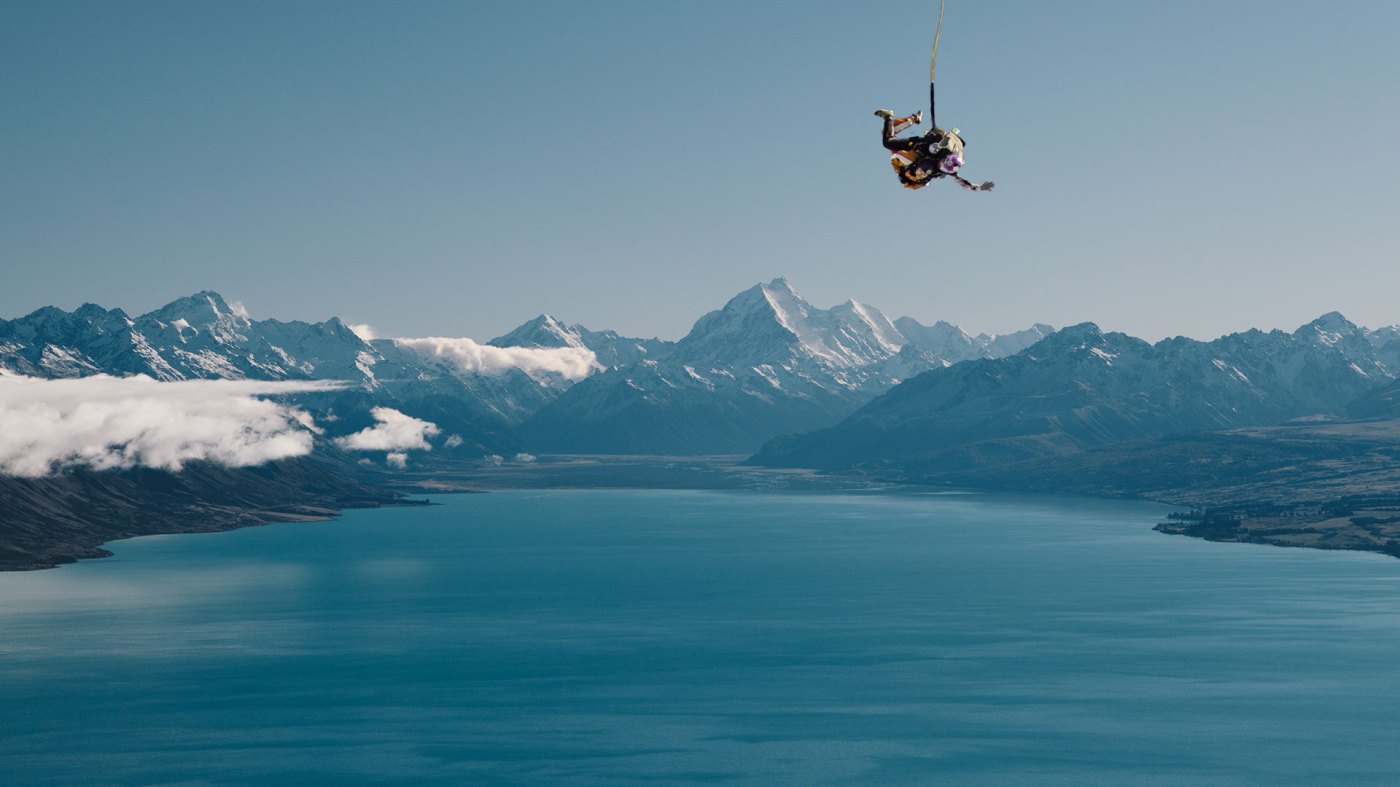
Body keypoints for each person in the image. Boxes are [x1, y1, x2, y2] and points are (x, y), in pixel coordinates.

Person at [875, 109, 993, 192]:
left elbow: (962, 182)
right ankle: (893, 117)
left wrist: (978, 187)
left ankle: (913, 118)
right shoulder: (936, 152)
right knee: (888, 142)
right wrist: (941, 143)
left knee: (888, 136)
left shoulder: (948, 170)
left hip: (917, 162)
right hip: (921, 147)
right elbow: (935, 147)